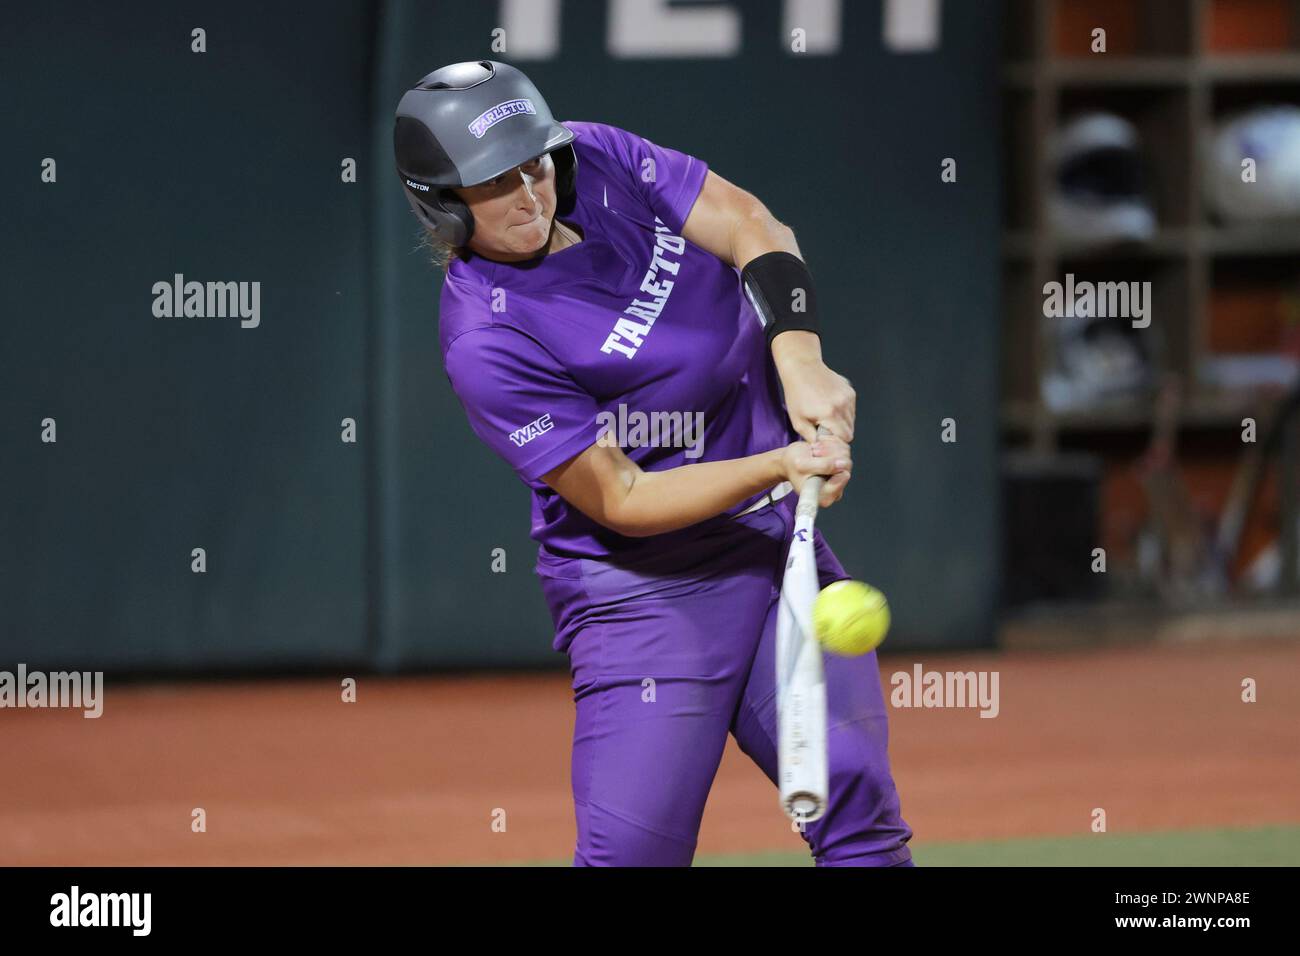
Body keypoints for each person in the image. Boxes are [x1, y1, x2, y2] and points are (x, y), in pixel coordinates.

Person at [394, 60, 912, 866]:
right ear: (445, 207)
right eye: (495, 185)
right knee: (631, 859)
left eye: (534, 165)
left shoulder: (597, 162)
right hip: (643, 598)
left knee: (855, 803)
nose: (529, 195)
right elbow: (624, 497)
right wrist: (778, 462)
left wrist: (799, 359)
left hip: (775, 555)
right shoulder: (486, 340)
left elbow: (750, 224)